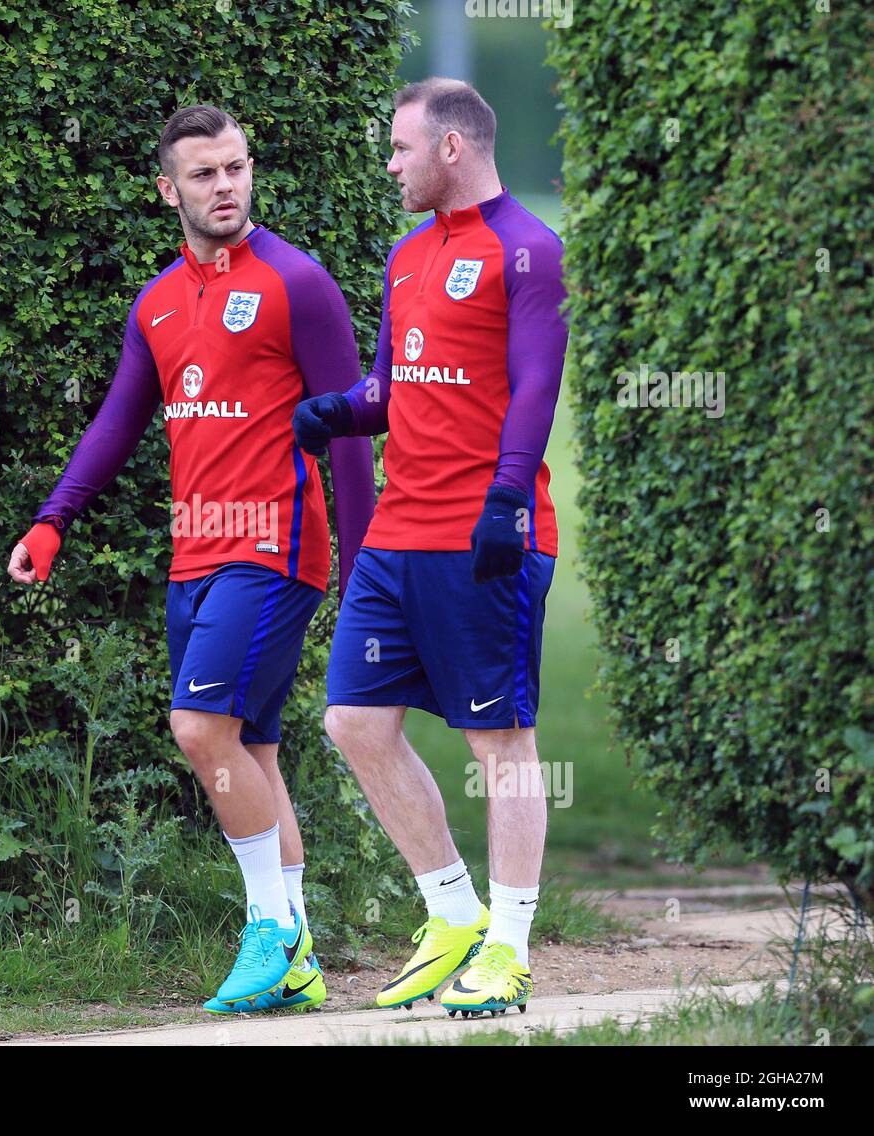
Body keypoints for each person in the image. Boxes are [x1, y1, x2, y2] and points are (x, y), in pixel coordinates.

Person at [11, 104, 375, 1014]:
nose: (227, 187)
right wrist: (54, 521)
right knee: (252, 749)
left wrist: (369, 563)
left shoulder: (299, 283)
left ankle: (270, 935)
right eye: (206, 174)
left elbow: (354, 433)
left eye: (238, 168)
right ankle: (296, 959)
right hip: (193, 556)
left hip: (276, 547)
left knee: (197, 727)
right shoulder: (158, 301)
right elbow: (117, 422)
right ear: (167, 189)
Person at [293, 78, 568, 1017]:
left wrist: (507, 499)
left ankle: (511, 947)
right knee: (354, 723)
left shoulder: (529, 250)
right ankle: (451, 915)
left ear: (452, 147)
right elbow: (391, 384)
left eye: (402, 148)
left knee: (501, 739)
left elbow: (534, 386)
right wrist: (339, 414)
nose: (391, 164)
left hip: (486, 534)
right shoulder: (407, 255)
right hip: (399, 535)